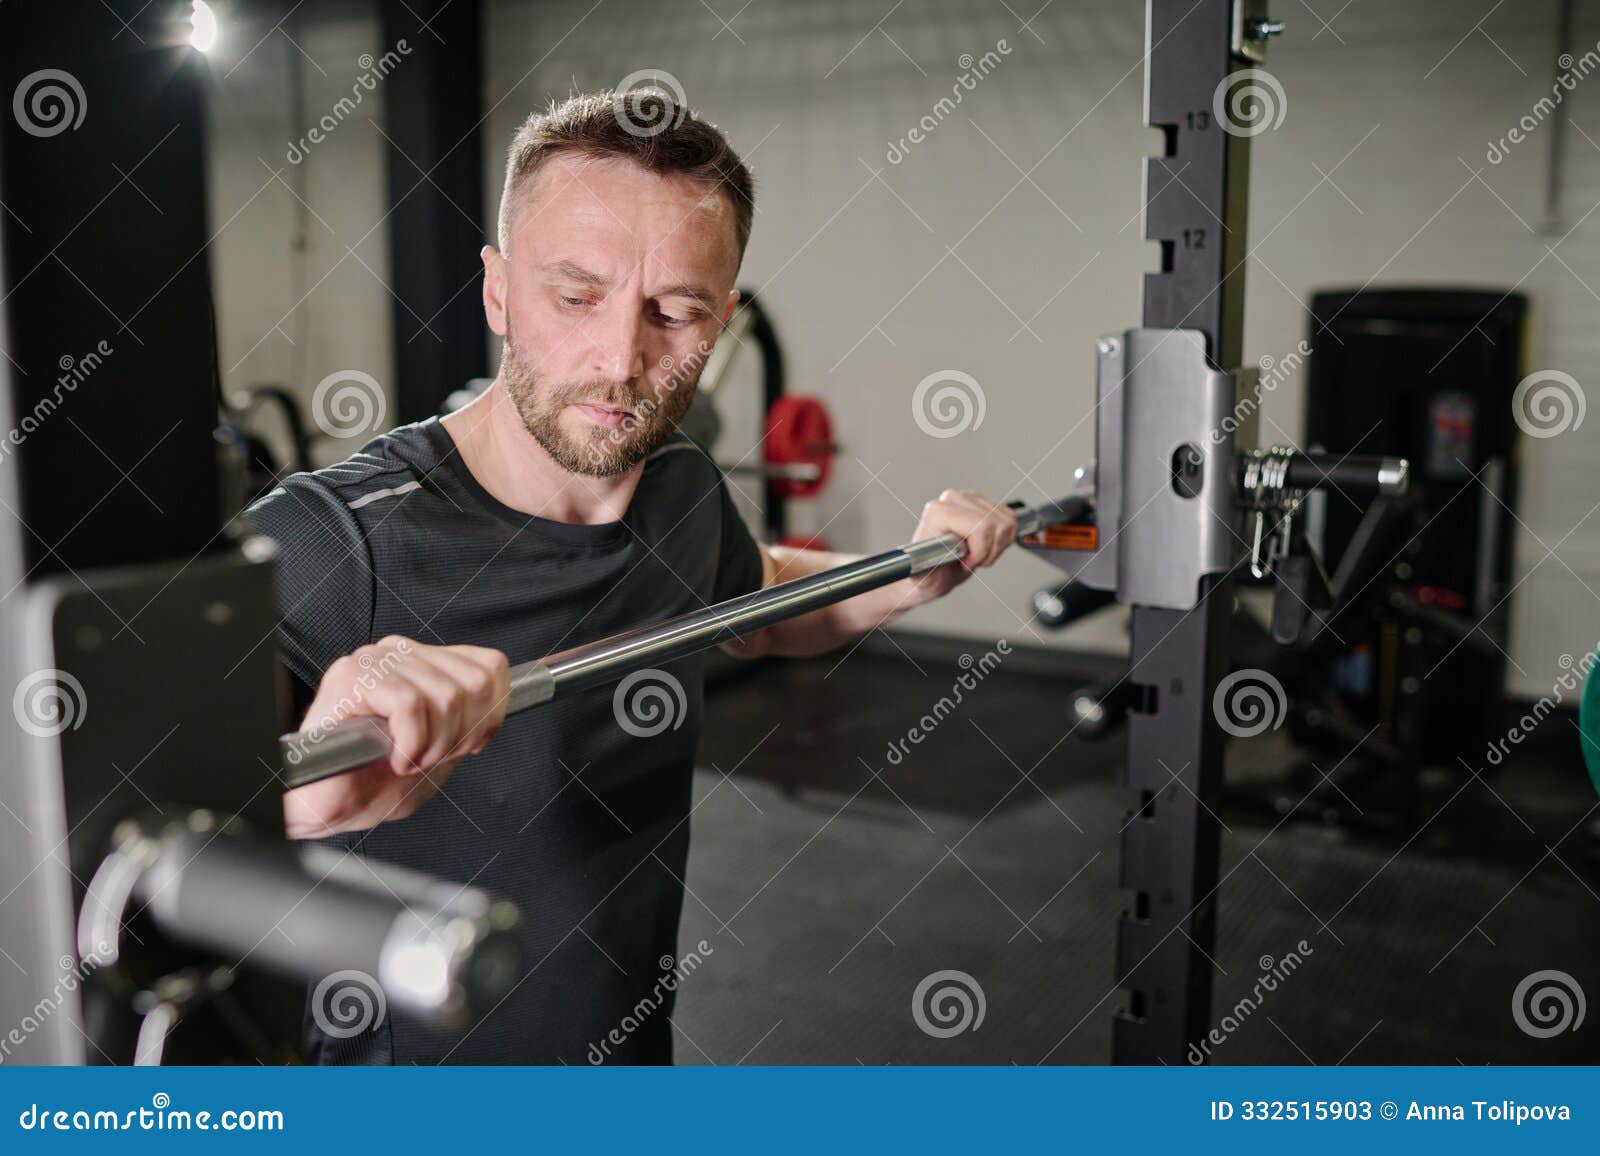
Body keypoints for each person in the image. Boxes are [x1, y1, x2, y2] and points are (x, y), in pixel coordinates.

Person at [247, 89, 1020, 1064]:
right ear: (496, 293)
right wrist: (304, 799)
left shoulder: (680, 492)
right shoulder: (325, 542)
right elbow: (117, 829)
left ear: (723, 319)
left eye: (675, 312)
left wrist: (907, 575)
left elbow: (762, 600)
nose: (620, 358)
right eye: (576, 296)